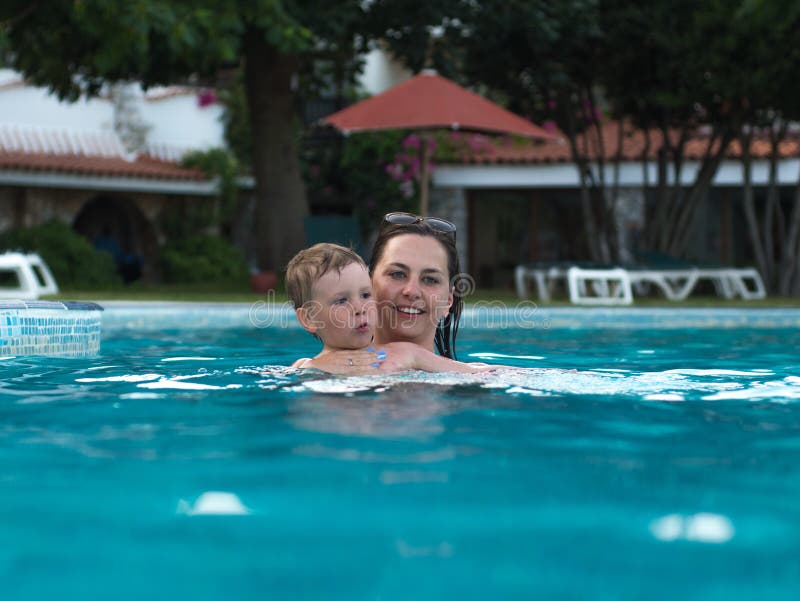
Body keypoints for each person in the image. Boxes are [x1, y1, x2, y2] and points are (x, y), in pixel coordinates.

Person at [286, 242, 488, 374]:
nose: (360, 308)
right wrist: (312, 367)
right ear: (310, 318)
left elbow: (473, 373)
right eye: (341, 301)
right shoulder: (307, 367)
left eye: (365, 295)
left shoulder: (401, 354)